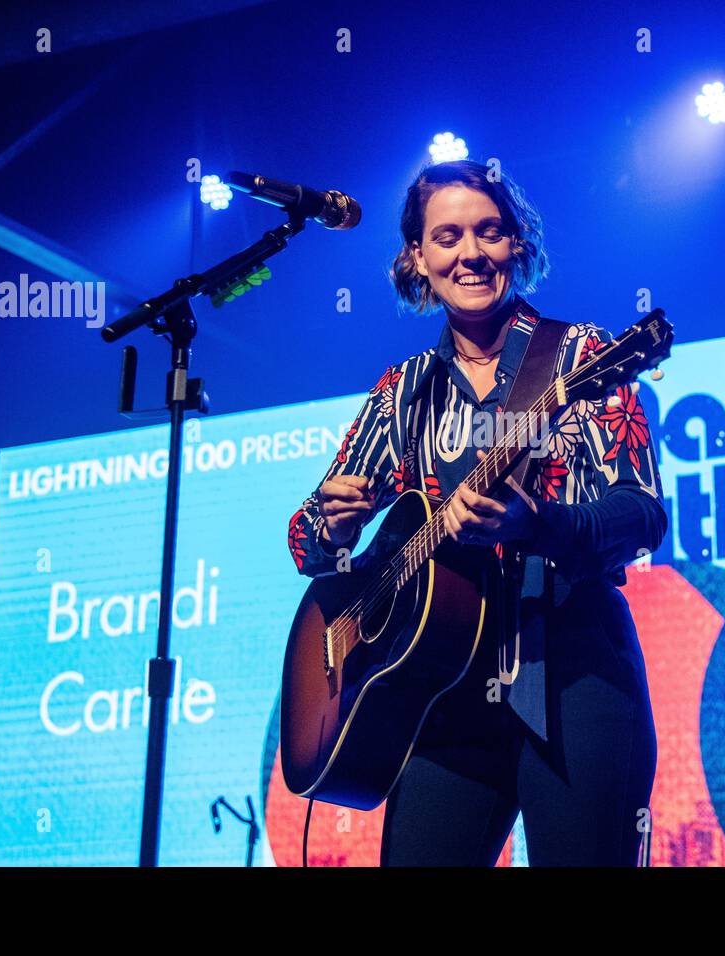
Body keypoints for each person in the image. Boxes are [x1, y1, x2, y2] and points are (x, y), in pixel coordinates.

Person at [286, 159, 667, 866]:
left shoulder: (582, 354)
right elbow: (308, 543)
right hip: (440, 692)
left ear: (517, 246)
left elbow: (642, 512)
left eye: (489, 232)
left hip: (573, 672)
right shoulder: (402, 391)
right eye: (449, 236)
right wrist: (330, 527)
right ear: (417, 258)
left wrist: (539, 526)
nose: (471, 253)